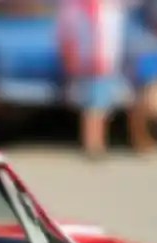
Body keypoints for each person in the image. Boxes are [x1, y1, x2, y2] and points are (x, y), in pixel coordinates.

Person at [58, 0, 131, 159]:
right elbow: (69, 36)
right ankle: (93, 145)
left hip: (106, 64)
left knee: (101, 107)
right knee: (94, 107)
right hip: (91, 64)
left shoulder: (110, 9)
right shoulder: (79, 9)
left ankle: (97, 143)